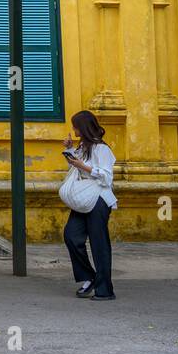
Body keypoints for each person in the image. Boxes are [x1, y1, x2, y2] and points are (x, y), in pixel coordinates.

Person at [60, 109, 117, 300]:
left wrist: (83, 166)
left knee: (99, 243)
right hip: (83, 199)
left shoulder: (102, 149)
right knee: (71, 236)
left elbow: (106, 177)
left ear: (83, 127)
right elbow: (76, 169)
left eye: (75, 125)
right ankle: (90, 277)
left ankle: (105, 290)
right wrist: (69, 151)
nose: (73, 129)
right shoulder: (83, 147)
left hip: (99, 199)